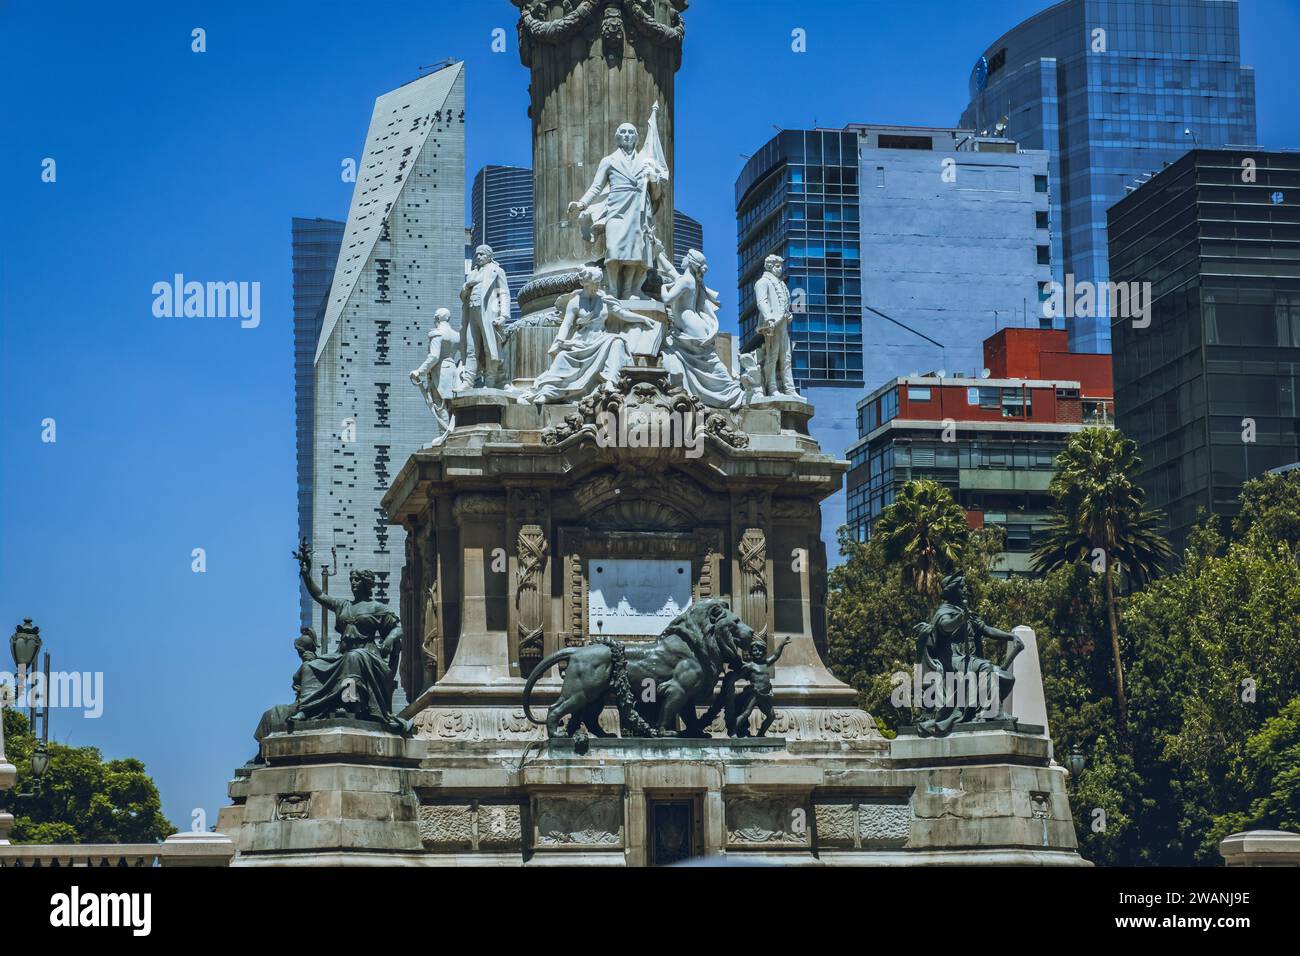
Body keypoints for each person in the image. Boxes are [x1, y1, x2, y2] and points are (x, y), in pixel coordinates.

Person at [289, 541, 412, 735]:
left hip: (368, 656)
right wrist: (306, 573)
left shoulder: (377, 608)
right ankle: (306, 709)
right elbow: (319, 595)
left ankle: (349, 705)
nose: (353, 583)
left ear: (365, 582)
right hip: (342, 653)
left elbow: (398, 628)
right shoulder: (343, 605)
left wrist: (388, 640)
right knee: (311, 666)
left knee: (353, 657)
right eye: (352, 580)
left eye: (356, 580)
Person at [522, 266, 653, 404]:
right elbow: (566, 324)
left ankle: (610, 382)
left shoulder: (604, 299)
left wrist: (642, 318)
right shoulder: (575, 302)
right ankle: (547, 392)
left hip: (601, 338)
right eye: (595, 283)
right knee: (562, 357)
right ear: (585, 283)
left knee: (617, 342)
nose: (598, 286)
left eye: (599, 283)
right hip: (581, 341)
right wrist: (560, 340)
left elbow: (621, 313)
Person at [570, 117, 668, 300]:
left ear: (637, 138)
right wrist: (582, 203)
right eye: (623, 132)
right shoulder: (608, 160)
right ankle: (613, 290)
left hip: (638, 209)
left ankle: (628, 291)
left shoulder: (645, 162)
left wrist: (653, 178)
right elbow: (596, 187)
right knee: (614, 250)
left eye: (631, 132)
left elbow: (655, 195)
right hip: (617, 207)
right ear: (617, 137)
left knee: (635, 252)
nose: (627, 135)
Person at [660, 249, 742, 409]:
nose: (682, 259)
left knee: (708, 362)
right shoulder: (688, 279)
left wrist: (663, 286)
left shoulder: (685, 281)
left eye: (685, 257)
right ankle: (731, 389)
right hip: (695, 325)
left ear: (690, 262)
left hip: (691, 327)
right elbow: (670, 270)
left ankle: (733, 392)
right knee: (708, 362)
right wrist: (658, 253)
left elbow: (667, 299)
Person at [460, 245, 510, 388]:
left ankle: (490, 382)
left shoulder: (497, 271)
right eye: (477, 254)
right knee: (471, 349)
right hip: (472, 314)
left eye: (482, 254)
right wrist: (466, 286)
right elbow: (463, 297)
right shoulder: (472, 274)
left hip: (488, 313)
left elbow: (504, 293)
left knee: (490, 348)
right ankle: (467, 382)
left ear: (489, 256)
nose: (479, 257)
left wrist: (504, 315)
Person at [727, 637, 791, 738]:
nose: (757, 652)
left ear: (764, 651)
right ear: (751, 653)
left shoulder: (766, 663)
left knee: (771, 716)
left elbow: (775, 655)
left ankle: (761, 733)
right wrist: (731, 683)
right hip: (754, 694)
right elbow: (738, 676)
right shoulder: (750, 666)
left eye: (760, 650)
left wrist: (782, 644)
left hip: (765, 695)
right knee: (746, 713)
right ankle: (733, 731)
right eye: (755, 650)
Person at [753, 254, 797, 398]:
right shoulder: (762, 282)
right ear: (770, 266)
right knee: (772, 355)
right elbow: (762, 301)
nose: (780, 269)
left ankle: (790, 389)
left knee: (787, 356)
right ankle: (771, 387)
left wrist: (788, 314)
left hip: (783, 323)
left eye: (781, 266)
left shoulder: (781, 284)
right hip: (772, 323)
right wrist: (768, 317)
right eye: (778, 266)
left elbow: (784, 303)